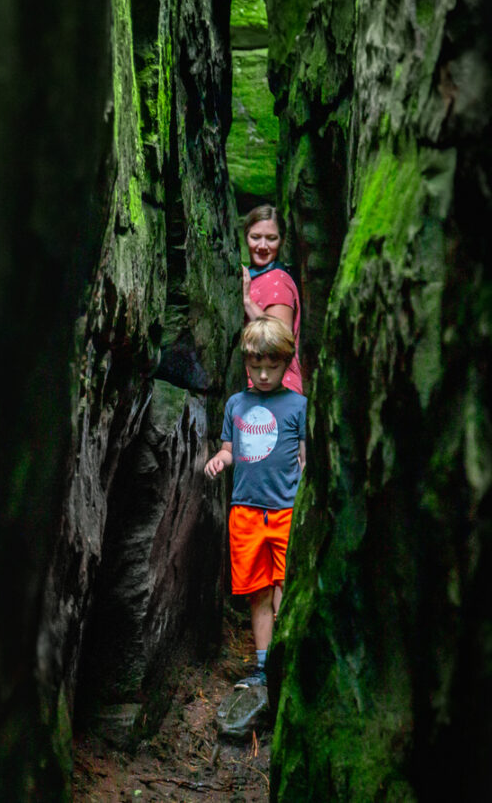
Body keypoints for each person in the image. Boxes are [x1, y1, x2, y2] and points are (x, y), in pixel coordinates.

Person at [205, 317, 307, 688]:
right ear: (246, 363)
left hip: (285, 511)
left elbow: (303, 457)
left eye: (272, 367)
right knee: (257, 591)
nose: (263, 375)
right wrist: (220, 459)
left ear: (286, 363)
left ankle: (284, 662)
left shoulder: (298, 406)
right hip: (245, 511)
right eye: (255, 367)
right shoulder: (236, 403)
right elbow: (230, 450)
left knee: (285, 586)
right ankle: (263, 668)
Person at [242, 204, 303, 394]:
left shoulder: (277, 280)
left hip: (278, 390)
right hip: (261, 388)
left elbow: (280, 339)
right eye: (255, 237)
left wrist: (247, 302)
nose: (262, 246)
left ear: (282, 241)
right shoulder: (254, 276)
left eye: (271, 239)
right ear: (245, 237)